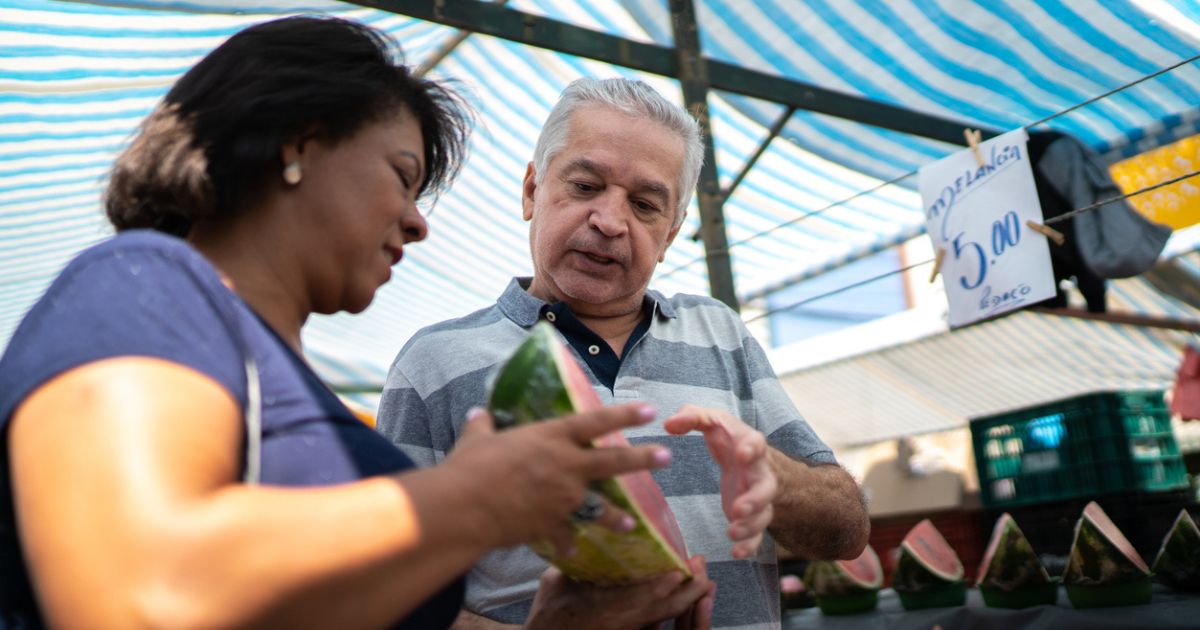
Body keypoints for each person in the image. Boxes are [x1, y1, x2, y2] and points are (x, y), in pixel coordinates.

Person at [0, 18, 677, 630]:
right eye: (401, 175)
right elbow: (136, 592)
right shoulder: (142, 284)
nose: (419, 222)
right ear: (299, 143)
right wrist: (473, 497)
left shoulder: (291, 386)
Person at [376, 77, 870, 629]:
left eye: (643, 205)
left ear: (671, 232)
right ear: (532, 191)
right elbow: (389, 598)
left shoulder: (720, 332)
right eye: (586, 186)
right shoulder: (433, 363)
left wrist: (776, 476)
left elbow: (847, 532)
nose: (610, 222)